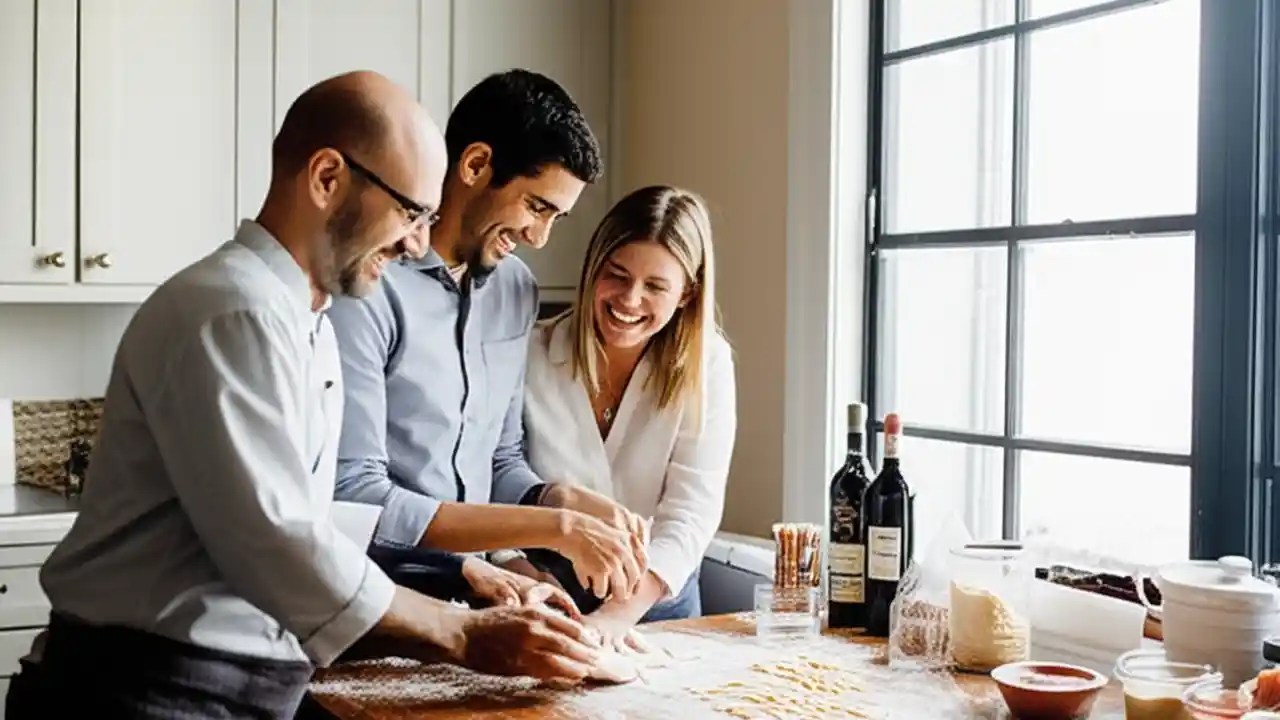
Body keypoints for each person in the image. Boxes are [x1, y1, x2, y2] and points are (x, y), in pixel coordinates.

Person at [5, 71, 600, 720]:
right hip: (138, 692)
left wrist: (458, 573)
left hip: (221, 689)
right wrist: (462, 634)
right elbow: (279, 546)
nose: (417, 244)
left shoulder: (304, 317)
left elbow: (309, 512)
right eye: (409, 212)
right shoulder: (234, 311)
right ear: (326, 178)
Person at [329, 69, 648, 608]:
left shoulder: (515, 290)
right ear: (476, 165)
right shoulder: (367, 284)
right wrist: (556, 527)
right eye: (536, 206)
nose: (539, 238)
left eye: (556, 218)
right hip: (380, 599)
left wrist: (550, 503)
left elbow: (497, 461)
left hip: (477, 590)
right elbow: (355, 495)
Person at [522, 185, 738, 650]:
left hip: (656, 602)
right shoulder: (530, 354)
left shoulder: (709, 364)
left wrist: (614, 619)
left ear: (686, 294)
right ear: (593, 268)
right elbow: (495, 484)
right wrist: (522, 578)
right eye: (616, 275)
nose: (629, 299)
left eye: (656, 286)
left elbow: (691, 511)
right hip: (540, 593)